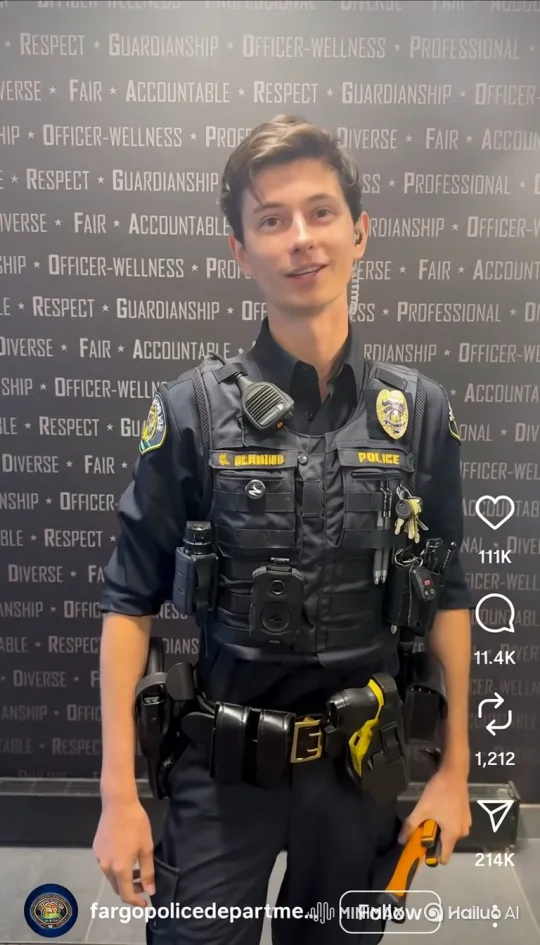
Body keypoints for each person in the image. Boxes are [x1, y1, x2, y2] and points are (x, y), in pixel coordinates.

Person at [93, 115, 473, 945]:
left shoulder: (420, 413)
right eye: (272, 220)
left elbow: (450, 594)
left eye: (321, 212)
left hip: (362, 770)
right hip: (223, 767)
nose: (301, 239)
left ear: (360, 231)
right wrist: (118, 794)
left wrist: (455, 769)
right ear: (240, 249)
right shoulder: (192, 410)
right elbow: (128, 603)